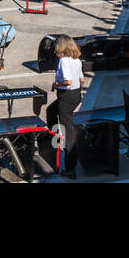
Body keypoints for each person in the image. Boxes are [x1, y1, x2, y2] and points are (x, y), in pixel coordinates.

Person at [50, 35, 86, 179]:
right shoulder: (76, 60)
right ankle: (53, 139)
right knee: (51, 111)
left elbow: (68, 81)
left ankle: (70, 167)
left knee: (68, 131)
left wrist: (56, 84)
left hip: (66, 95)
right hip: (76, 95)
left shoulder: (63, 60)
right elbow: (81, 80)